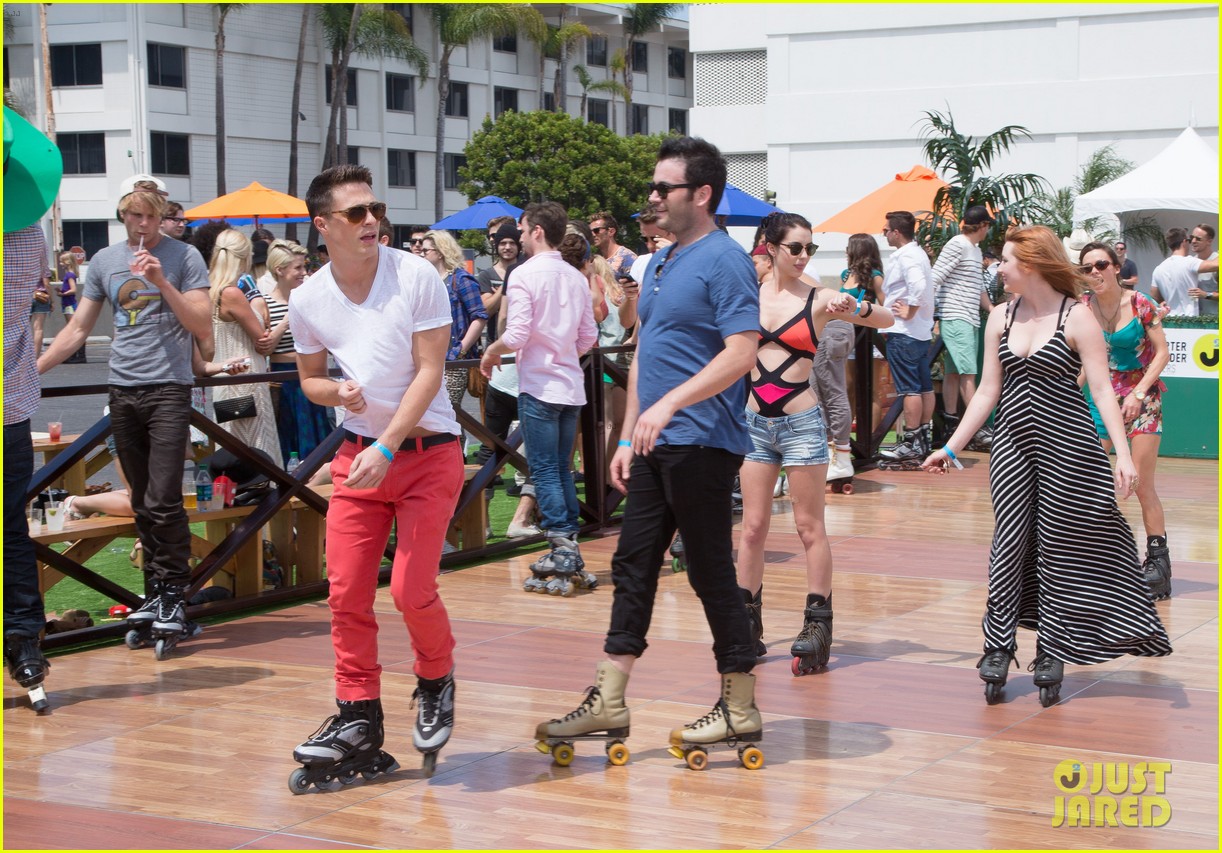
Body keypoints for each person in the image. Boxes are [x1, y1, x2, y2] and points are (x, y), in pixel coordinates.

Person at [531, 137, 765, 768]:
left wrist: (671, 406)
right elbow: (644, 355)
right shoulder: (659, 263)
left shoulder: (726, 260)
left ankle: (739, 705)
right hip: (653, 443)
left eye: (665, 187)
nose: (654, 196)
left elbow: (742, 352)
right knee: (633, 565)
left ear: (702, 194)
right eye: (653, 187)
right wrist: (629, 430)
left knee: (709, 571)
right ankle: (609, 699)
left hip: (702, 441)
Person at [921, 225, 1172, 706]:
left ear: (1032, 263)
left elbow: (1102, 390)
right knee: (1009, 542)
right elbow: (988, 391)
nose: (999, 268)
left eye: (1006, 260)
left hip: (1070, 449)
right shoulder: (1000, 317)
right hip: (1013, 446)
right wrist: (951, 448)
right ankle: (998, 646)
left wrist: (1122, 455)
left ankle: (1052, 649)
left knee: (1059, 547)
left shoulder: (1077, 317)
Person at [287, 164, 464, 785]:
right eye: (356, 213)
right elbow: (309, 380)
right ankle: (358, 714)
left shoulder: (414, 275)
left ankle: (435, 679)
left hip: (427, 454)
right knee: (345, 593)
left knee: (412, 588)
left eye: (376, 209)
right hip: (358, 457)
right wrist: (336, 391)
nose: (372, 221)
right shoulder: (307, 298)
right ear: (323, 225)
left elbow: (430, 371)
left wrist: (387, 446)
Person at [39, 177, 212, 652]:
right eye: (136, 214)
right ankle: (155, 592)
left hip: (169, 388)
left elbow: (201, 323)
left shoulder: (184, 257)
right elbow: (78, 328)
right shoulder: (105, 261)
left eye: (153, 215)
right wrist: (32, 371)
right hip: (123, 389)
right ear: (123, 214)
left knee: (163, 497)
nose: (144, 224)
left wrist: (161, 281)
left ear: (162, 215)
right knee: (141, 500)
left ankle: (173, 593)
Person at [737, 214, 893, 672]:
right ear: (770, 247)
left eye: (810, 248)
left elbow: (888, 318)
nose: (804, 256)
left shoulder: (821, 298)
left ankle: (817, 625)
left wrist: (856, 307)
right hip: (753, 424)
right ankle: (744, 623)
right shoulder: (747, 294)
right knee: (752, 528)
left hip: (801, 423)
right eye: (796, 248)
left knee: (809, 527)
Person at [480, 202, 599, 594]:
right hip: (569, 386)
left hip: (540, 386)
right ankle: (568, 546)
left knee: (545, 469)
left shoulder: (524, 274)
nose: (517, 234)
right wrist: (561, 353)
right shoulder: (576, 277)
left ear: (537, 231)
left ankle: (562, 546)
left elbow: (516, 334)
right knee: (561, 469)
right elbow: (588, 337)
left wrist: (491, 351)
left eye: (522, 228)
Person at [1078, 241, 1173, 599]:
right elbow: (1086, 361)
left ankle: (1158, 567)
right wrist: (1068, 394)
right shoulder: (1083, 308)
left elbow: (1161, 353)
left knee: (1141, 484)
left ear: (1117, 267)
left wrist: (1139, 393)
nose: (1095, 272)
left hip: (1142, 397)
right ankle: (1098, 562)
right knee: (1090, 481)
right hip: (1103, 397)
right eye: (1087, 268)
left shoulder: (1140, 303)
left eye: (1101, 264)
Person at [208, 229, 282, 468]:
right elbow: (262, 341)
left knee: (232, 452)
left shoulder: (210, 289)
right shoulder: (232, 292)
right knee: (257, 451)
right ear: (245, 256)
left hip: (225, 377)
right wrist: (264, 308)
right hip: (246, 377)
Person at [820, 233, 885, 485]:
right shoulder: (845, 274)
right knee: (846, 387)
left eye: (849, 247)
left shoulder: (875, 275)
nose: (846, 251)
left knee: (872, 390)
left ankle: (870, 442)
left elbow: (884, 303)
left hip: (868, 336)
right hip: (846, 335)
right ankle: (849, 442)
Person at [264, 240, 333, 463]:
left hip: (313, 374)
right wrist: (286, 320)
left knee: (317, 437)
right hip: (283, 378)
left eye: (304, 266)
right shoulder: (264, 303)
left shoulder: (308, 299)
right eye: (298, 268)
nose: (304, 272)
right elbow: (265, 347)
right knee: (288, 435)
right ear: (280, 270)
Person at [877, 210, 936, 467]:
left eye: (886, 230)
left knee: (909, 388)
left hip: (905, 330)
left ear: (896, 232)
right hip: (919, 331)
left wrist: (910, 311)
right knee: (923, 386)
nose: (884, 234)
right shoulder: (918, 253)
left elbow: (918, 286)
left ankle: (911, 442)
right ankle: (922, 439)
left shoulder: (907, 255)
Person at [422, 229, 487, 410]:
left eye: (426, 251)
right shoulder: (428, 280)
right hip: (430, 358)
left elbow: (480, 317)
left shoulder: (461, 279)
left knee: (447, 409)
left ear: (440, 252)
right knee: (433, 410)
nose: (422, 254)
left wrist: (461, 350)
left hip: (453, 360)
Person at [1151, 227, 1219, 316]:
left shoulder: (1158, 269)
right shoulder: (1190, 262)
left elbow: (1154, 297)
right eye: (1190, 240)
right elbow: (1217, 264)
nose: (1192, 242)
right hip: (1190, 320)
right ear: (1184, 242)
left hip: (1170, 319)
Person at [477, 220, 522, 346]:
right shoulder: (486, 275)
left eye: (512, 243)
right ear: (497, 246)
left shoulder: (526, 272)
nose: (507, 247)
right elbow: (485, 311)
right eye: (503, 243)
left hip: (521, 342)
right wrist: (505, 287)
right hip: (494, 343)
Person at [590, 211, 637, 280]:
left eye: (596, 230)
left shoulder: (627, 258)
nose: (593, 235)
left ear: (611, 231)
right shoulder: (595, 260)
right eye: (590, 232)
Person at [1188, 223, 1219, 316]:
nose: (1193, 241)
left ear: (1209, 241)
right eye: (1192, 237)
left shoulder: (1217, 262)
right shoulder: (1190, 262)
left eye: (1198, 239)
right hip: (1194, 319)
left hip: (1215, 319)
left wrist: (1206, 294)